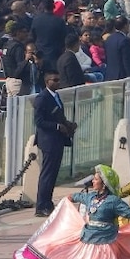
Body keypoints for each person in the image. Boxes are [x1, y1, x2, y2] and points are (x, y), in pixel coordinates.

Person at [32, 69, 76, 217]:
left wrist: (67, 124)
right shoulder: (42, 98)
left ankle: (48, 202)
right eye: (54, 80)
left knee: (53, 174)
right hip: (48, 141)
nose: (58, 82)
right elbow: (39, 121)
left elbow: (58, 116)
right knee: (47, 174)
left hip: (57, 140)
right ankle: (41, 205)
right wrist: (57, 127)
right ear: (47, 82)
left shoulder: (56, 96)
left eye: (59, 80)